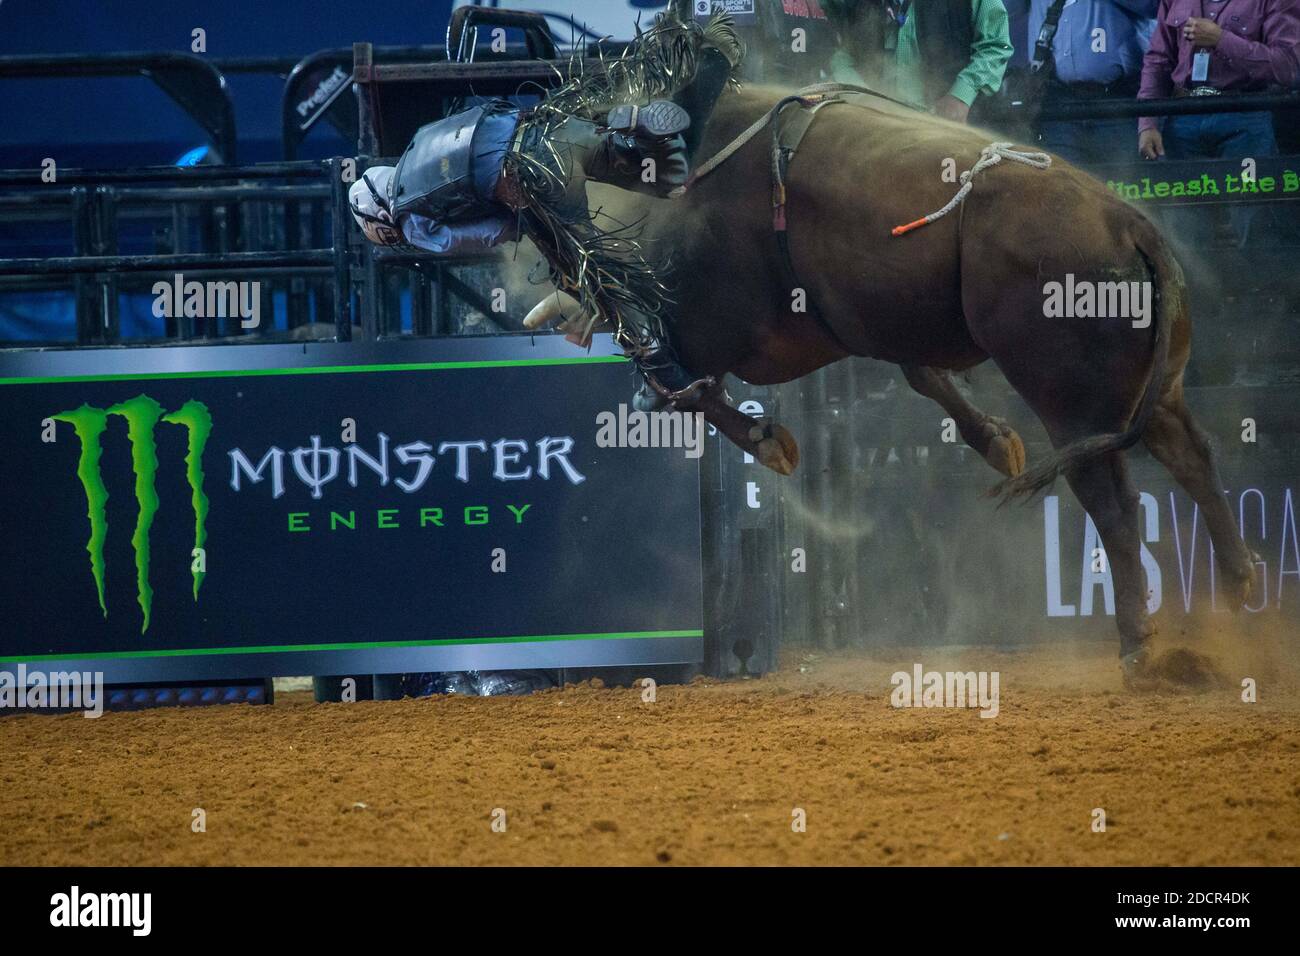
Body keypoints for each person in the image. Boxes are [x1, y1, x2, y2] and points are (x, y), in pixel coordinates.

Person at [350, 9, 742, 410]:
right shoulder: (424, 145)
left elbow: (487, 233)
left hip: (532, 178)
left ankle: (666, 378)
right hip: (550, 130)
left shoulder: (412, 220)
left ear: (379, 214)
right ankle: (704, 69)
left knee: (602, 280)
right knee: (666, 178)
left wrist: (525, 227)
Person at [1137, 0, 1300, 244]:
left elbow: (1288, 66)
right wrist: (1148, 122)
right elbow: (1158, 60)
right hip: (1182, 118)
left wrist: (1222, 39)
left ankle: (1252, 282)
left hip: (1245, 117)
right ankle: (1193, 283)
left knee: (1250, 221)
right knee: (1184, 229)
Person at [824, 0, 1014, 122]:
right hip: (876, 125)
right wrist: (861, 95)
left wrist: (961, 95)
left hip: (946, 126)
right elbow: (838, 51)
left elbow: (996, 46)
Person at [1029, 0, 1158, 166]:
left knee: (1125, 183)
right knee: (1063, 184)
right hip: (1059, 104)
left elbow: (1154, 6)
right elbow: (1006, 12)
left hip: (1120, 103)